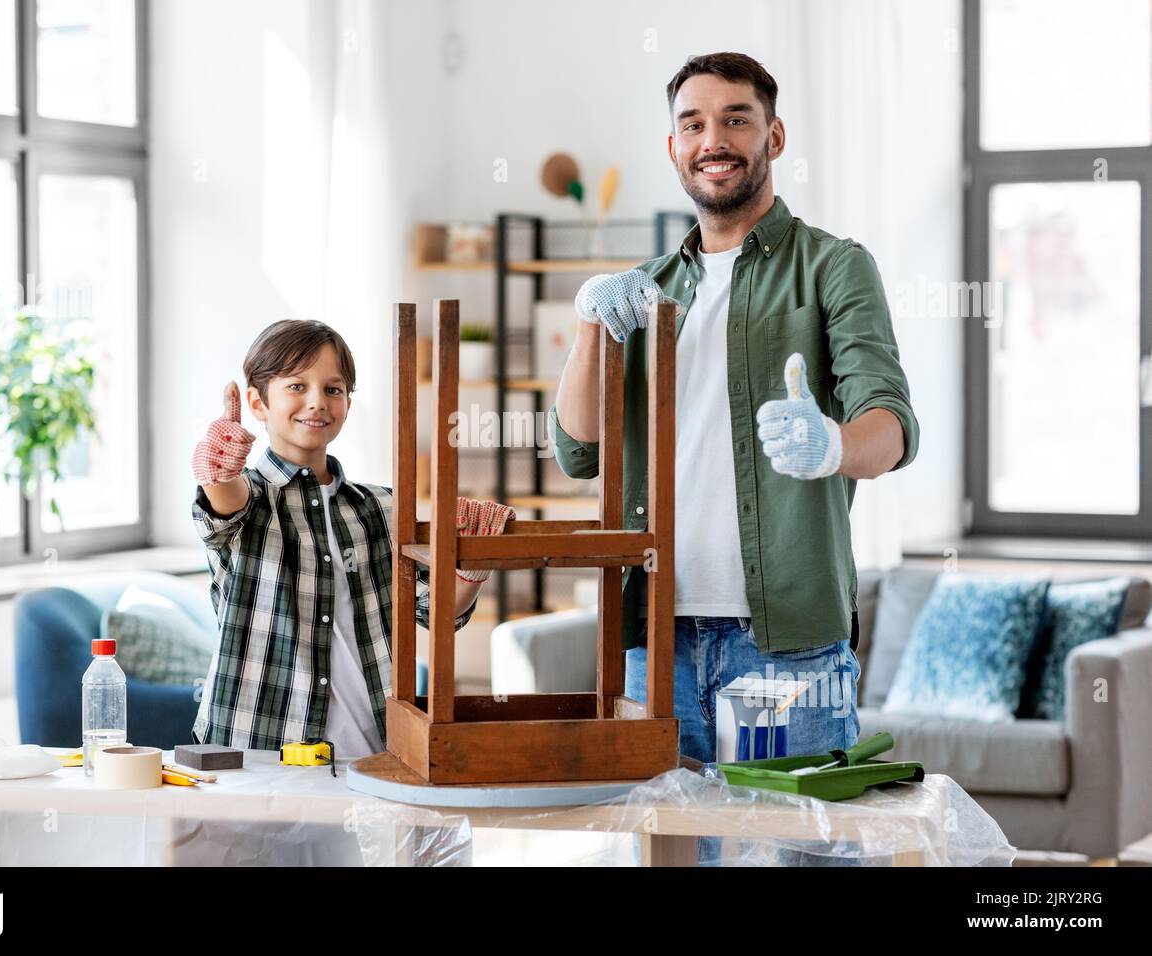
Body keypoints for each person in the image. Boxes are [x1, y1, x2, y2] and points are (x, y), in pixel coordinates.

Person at [550, 52, 920, 865]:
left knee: (803, 860)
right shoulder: (643, 291)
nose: (713, 139)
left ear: (774, 135)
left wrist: (831, 446)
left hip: (787, 641)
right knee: (673, 858)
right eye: (693, 123)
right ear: (674, 147)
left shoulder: (832, 266)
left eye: (735, 119)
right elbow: (578, 452)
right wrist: (587, 321)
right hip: (656, 640)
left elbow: (889, 428)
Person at [191, 318, 510, 759]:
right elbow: (224, 504)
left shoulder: (382, 507)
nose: (317, 402)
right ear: (257, 403)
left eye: (333, 389)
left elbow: (432, 611)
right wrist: (218, 474)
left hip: (370, 746)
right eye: (297, 386)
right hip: (256, 746)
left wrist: (470, 566)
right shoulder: (249, 497)